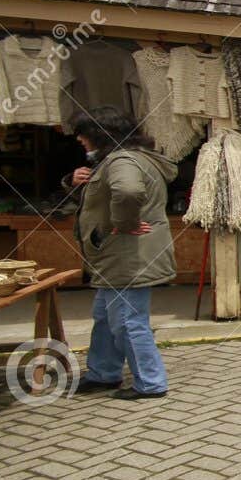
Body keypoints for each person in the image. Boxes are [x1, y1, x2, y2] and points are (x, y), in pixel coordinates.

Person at [67, 106, 178, 400]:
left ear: (99, 135)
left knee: (128, 320)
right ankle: (103, 373)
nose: (79, 140)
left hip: (129, 254)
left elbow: (128, 192)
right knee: (104, 315)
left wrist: (125, 223)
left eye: (83, 134)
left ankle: (151, 383)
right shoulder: (123, 159)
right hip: (118, 255)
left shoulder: (121, 161)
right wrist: (73, 182)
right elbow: (107, 193)